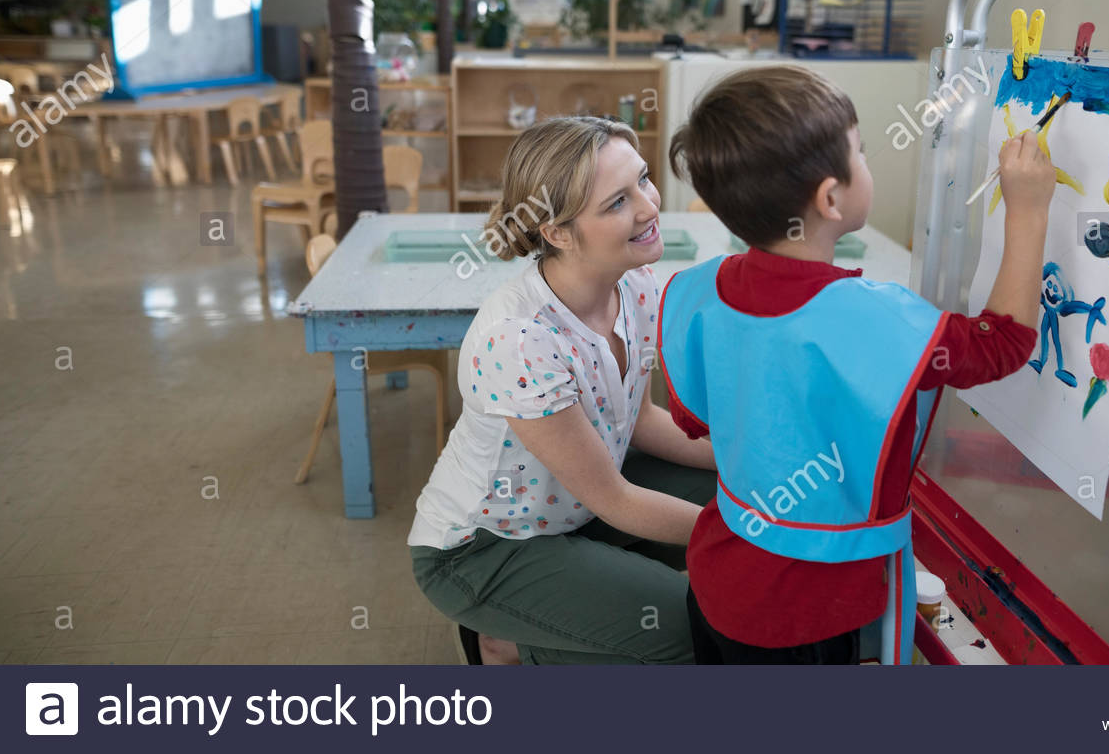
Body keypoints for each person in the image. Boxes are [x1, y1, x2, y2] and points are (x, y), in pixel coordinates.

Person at [660, 66, 1053, 664]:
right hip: (807, 611)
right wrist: (1027, 210)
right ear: (830, 197)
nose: (869, 165)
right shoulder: (875, 317)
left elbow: (696, 421)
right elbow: (1002, 344)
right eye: (862, 154)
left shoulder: (696, 290)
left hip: (719, 580)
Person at [409, 116, 716, 665]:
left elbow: (641, 421)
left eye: (643, 180)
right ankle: (506, 643)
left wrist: (749, 461)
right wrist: (752, 539)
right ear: (556, 232)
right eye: (617, 203)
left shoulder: (636, 284)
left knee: (741, 489)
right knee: (692, 632)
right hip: (485, 548)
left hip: (577, 507)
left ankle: (561, 614)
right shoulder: (520, 340)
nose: (649, 207)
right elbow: (614, 499)